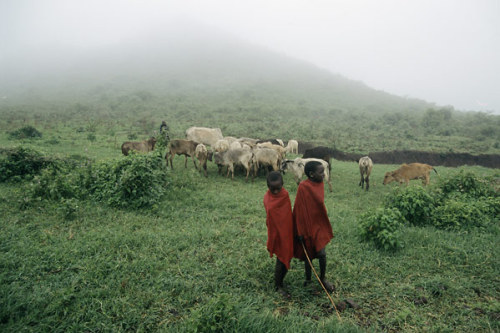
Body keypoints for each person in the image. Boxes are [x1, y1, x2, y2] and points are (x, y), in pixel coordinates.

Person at [293, 161, 335, 292]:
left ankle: (322, 278)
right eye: (321, 172)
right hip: (306, 225)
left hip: (318, 224)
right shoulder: (303, 187)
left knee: (322, 254)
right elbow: (298, 209)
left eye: (324, 171)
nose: (323, 174)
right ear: (311, 174)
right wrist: (299, 231)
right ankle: (308, 280)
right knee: (308, 254)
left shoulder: (320, 184)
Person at [263, 171, 294, 298]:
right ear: (268, 186)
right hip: (276, 232)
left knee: (288, 256)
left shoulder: (285, 194)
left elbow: (288, 213)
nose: (275, 191)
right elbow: (270, 215)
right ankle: (278, 285)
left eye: (278, 188)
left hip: (287, 231)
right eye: (272, 188)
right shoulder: (267, 197)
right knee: (280, 259)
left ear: (283, 184)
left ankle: (281, 281)